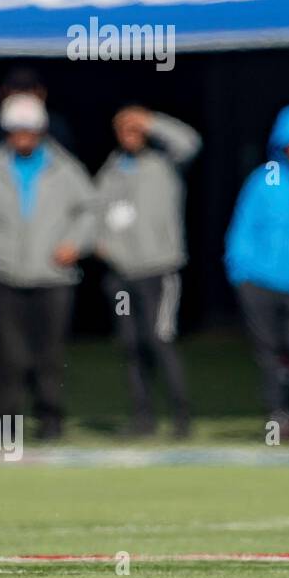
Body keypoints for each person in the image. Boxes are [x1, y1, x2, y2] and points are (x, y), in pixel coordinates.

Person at [0, 93, 97, 440]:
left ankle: (50, 422)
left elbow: (91, 210)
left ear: (42, 131)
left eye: (30, 130)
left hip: (54, 279)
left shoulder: (66, 168)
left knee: (50, 356)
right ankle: (4, 426)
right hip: (5, 277)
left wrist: (75, 243)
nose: (23, 137)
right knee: (9, 358)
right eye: (16, 131)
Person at [94, 107, 201, 437]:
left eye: (135, 129)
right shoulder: (110, 173)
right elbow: (94, 214)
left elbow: (190, 142)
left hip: (160, 272)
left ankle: (182, 417)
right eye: (124, 129)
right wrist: (101, 244)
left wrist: (151, 121)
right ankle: (143, 419)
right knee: (132, 344)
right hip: (122, 275)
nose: (130, 135)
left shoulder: (164, 164)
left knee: (160, 340)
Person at [226, 104, 289, 440]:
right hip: (261, 283)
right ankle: (277, 419)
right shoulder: (263, 179)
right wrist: (240, 272)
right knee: (267, 353)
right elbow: (243, 228)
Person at [0, 66, 76, 165]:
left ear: (42, 94)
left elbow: (72, 168)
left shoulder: (56, 128)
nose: (23, 97)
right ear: (3, 93)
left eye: (29, 89)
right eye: (16, 90)